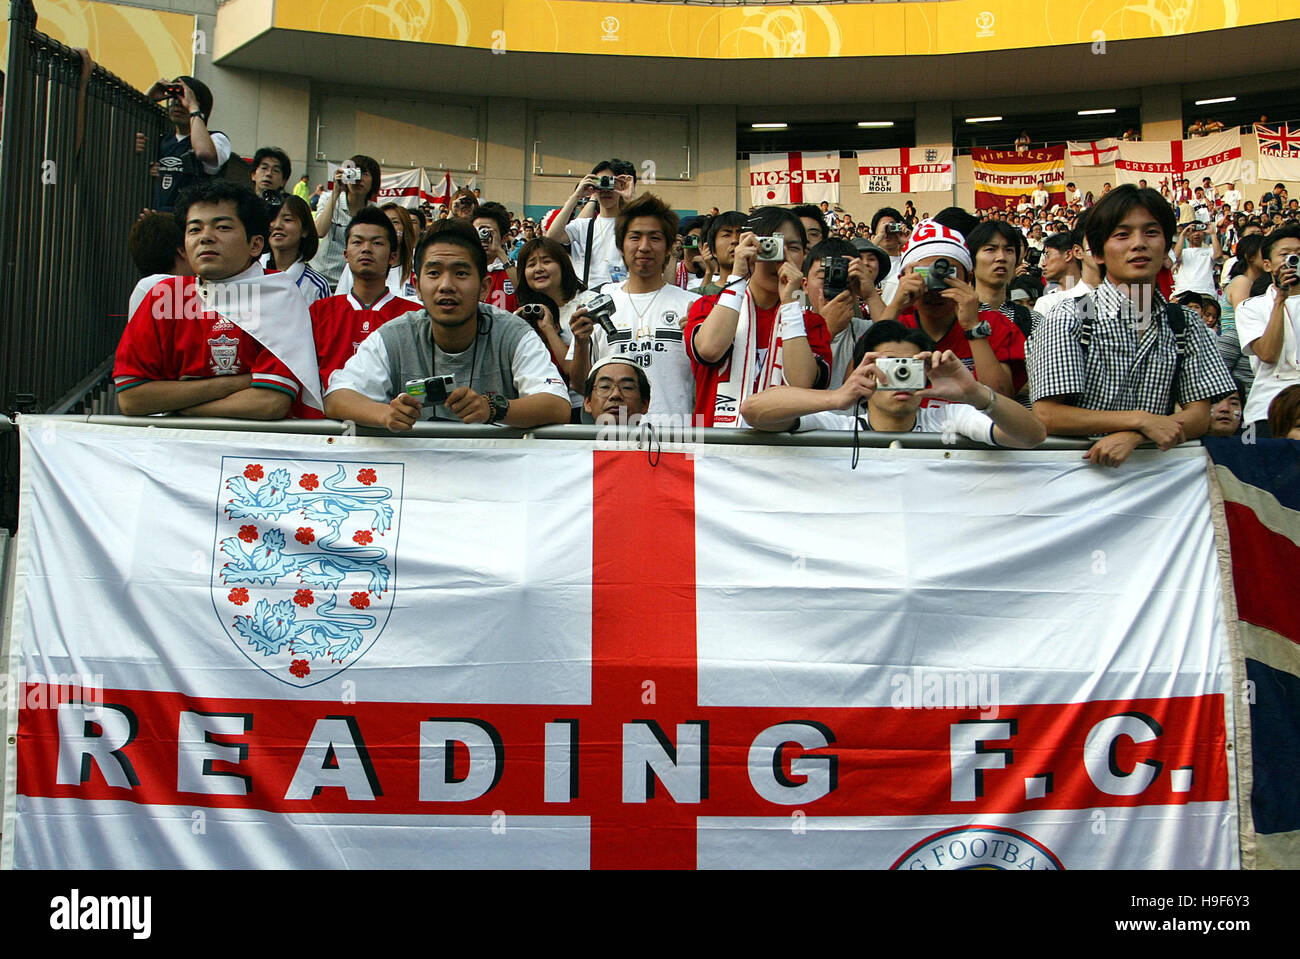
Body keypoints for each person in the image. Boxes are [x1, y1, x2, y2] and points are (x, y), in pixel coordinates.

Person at [1029, 184, 1237, 466]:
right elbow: (1048, 415)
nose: (1138, 243)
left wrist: (1136, 436)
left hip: (1154, 482)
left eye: (1151, 232)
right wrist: (1140, 421)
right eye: (1122, 235)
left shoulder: (1185, 323)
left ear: (1166, 250)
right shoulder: (1070, 317)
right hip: (1077, 475)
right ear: (1099, 253)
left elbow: (1199, 416)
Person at [323, 219, 570, 429]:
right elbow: (337, 398)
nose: (446, 285)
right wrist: (386, 414)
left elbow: (557, 405)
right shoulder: (395, 335)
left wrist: (491, 408)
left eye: (461, 273)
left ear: (484, 287)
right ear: (417, 287)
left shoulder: (513, 333)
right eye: (433, 273)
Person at [114, 181, 319, 419]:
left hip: (251, 451)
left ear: (255, 244)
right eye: (194, 229)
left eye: (222, 227)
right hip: (173, 449)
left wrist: (177, 405)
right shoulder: (164, 295)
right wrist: (233, 384)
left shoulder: (279, 295)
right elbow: (131, 398)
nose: (205, 238)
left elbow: (270, 403)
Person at [741, 320, 1045, 448]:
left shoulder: (950, 419)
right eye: (888, 365)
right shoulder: (838, 425)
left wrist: (976, 394)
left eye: (909, 367)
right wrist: (837, 398)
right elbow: (754, 411)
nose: (899, 377)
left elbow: (1031, 436)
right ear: (865, 371)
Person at [684, 206, 831, 427]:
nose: (781, 258)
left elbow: (801, 383)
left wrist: (791, 304)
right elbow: (710, 350)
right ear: (748, 248)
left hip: (784, 455)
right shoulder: (708, 307)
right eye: (769, 246)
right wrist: (738, 276)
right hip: (716, 453)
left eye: (793, 247)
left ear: (805, 256)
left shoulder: (810, 323)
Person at [566, 193, 698, 418]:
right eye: (635, 237)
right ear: (620, 245)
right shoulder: (596, 304)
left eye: (655, 238)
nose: (644, 247)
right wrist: (580, 342)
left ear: (668, 247)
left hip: (676, 439)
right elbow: (580, 386)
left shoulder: (691, 305)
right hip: (614, 440)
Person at [879, 220, 1026, 399]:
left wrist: (973, 327)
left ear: (968, 278)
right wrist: (896, 305)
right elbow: (865, 380)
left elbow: (1001, 397)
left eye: (947, 275)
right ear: (904, 277)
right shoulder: (897, 324)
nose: (935, 288)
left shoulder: (995, 325)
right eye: (924, 275)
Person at [309, 207, 421, 404]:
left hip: (394, 423)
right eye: (357, 242)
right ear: (346, 254)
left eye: (377, 243)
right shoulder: (319, 311)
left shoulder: (413, 315)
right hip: (328, 427)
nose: (366, 249)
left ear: (393, 256)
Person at [1235, 225, 1300, 434]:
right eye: (1285, 255)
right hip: (1268, 408)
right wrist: (1281, 298)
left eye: (1299, 254)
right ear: (1268, 265)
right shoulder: (1251, 307)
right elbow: (1268, 354)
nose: (1293, 260)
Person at [515, 236, 589, 418]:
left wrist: (549, 329)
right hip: (536, 406)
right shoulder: (523, 312)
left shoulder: (585, 304)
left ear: (563, 265)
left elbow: (572, 370)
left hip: (580, 406)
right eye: (531, 264)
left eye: (547, 261)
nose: (539, 269)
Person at [805, 237, 888, 388]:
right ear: (804, 285)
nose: (833, 284)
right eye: (824, 277)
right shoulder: (790, 329)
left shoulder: (866, 330)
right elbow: (798, 381)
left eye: (841, 277)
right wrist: (827, 329)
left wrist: (870, 294)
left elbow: (893, 339)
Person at [545, 158, 637, 290]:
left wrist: (630, 198)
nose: (606, 188)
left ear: (621, 185)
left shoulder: (632, 223)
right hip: (590, 299)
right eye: (600, 183)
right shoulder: (584, 226)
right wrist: (576, 196)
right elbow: (552, 236)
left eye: (611, 182)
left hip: (625, 295)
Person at [144, 76, 232, 213]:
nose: (177, 104)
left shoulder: (217, 139)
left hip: (194, 222)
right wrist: (151, 95)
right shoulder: (163, 140)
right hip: (160, 218)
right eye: (174, 98)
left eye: (183, 99)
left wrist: (193, 107)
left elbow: (204, 153)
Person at [312, 154, 381, 287]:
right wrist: (336, 192)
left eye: (365, 174)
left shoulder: (375, 212)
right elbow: (319, 232)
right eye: (354, 173)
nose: (359, 179)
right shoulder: (328, 199)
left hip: (353, 283)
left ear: (374, 181)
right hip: (322, 278)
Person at [264, 195, 331, 306]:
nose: (277, 225)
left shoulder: (316, 286)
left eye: (287, 219)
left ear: (304, 230)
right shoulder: (252, 274)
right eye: (273, 219)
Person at [473, 201, 519, 312]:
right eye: (478, 231)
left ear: (504, 238)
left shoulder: (515, 269)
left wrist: (498, 250)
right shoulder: (464, 269)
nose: (482, 237)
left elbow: (525, 292)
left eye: (488, 232)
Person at [584, 355, 651, 425]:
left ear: (644, 404)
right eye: (605, 387)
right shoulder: (572, 436)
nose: (615, 395)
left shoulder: (660, 435)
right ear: (588, 402)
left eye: (627, 387)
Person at [695, 211, 747, 296]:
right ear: (712, 249)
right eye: (726, 235)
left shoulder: (765, 293)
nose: (735, 240)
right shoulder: (696, 295)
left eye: (741, 234)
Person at [1172, 220, 1222, 298]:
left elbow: (1218, 256)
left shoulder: (1209, 251)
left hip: (1206, 292)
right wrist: (1182, 235)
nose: (1197, 234)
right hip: (1183, 292)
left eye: (1200, 231)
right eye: (1193, 231)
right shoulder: (1183, 252)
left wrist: (1212, 234)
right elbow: (1175, 257)